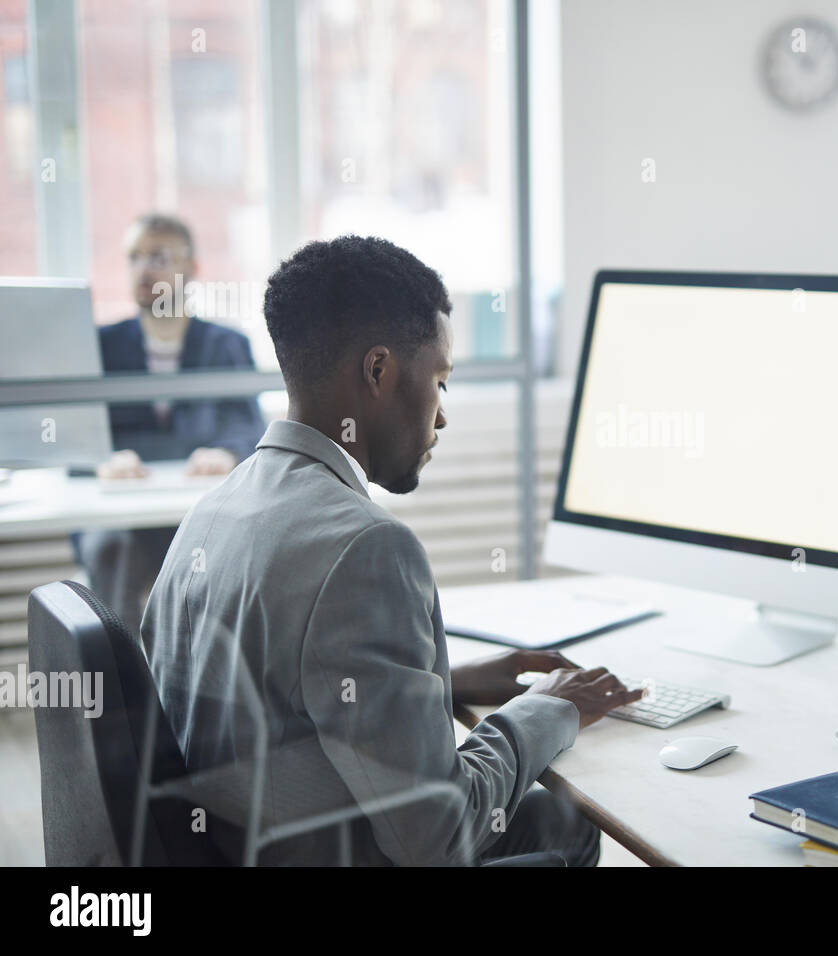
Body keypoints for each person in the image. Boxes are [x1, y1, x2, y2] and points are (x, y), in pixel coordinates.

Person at [141, 235, 641, 866]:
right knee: (566, 834)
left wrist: (441, 683)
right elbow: (441, 840)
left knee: (552, 820)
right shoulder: (367, 548)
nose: (441, 416)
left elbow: (271, 694)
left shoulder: (214, 510)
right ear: (378, 371)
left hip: (237, 838)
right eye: (440, 381)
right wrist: (546, 710)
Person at [74, 214, 264, 633]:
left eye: (158, 257)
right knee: (110, 550)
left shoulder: (226, 344)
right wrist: (101, 457)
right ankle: (125, 693)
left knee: (228, 561)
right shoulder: (99, 345)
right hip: (121, 512)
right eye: (134, 258)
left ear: (192, 270)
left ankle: (197, 688)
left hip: (196, 510)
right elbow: (73, 431)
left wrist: (227, 452)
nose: (144, 269)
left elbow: (250, 425)